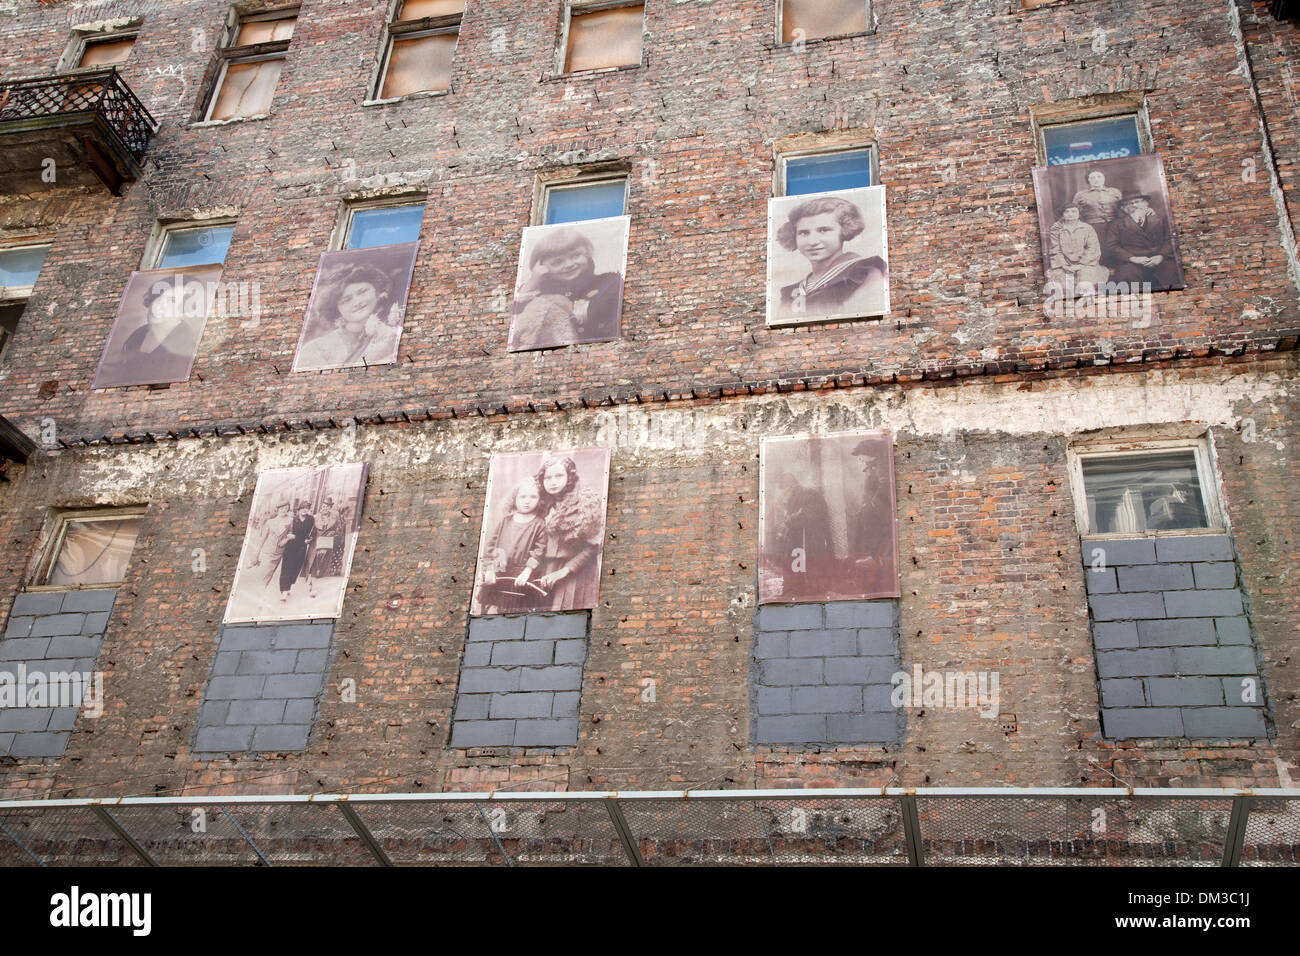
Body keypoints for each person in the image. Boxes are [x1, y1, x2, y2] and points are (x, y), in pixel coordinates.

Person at [510, 228, 623, 351]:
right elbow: (517, 317)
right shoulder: (541, 293)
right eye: (557, 262)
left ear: (587, 253)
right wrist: (534, 281)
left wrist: (567, 305)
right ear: (543, 268)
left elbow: (603, 309)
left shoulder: (609, 281)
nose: (569, 264)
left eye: (575, 255)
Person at [775, 196, 886, 320]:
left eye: (823, 230)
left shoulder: (865, 272)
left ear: (843, 230)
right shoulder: (790, 292)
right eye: (804, 233)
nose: (812, 241)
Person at [100, 275, 208, 386]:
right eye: (160, 297)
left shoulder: (187, 343)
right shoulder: (137, 335)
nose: (160, 305)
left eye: (172, 300)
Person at [295, 263, 402, 370]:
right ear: (335, 309)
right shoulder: (316, 349)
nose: (357, 302)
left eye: (362, 292)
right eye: (346, 300)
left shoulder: (393, 337)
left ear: (377, 291)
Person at [533, 454, 605, 611]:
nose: (552, 482)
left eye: (559, 476)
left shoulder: (585, 503)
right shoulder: (541, 504)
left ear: (570, 476)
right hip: (546, 570)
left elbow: (594, 544)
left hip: (574, 572)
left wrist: (563, 572)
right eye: (548, 477)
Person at [478, 477, 549, 613]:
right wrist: (489, 569)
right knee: (492, 610)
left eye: (533, 497)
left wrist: (526, 572)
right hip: (499, 572)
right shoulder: (505, 521)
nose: (527, 501)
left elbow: (539, 551)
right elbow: (490, 547)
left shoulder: (539, 524)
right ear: (514, 499)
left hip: (520, 576)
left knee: (514, 611)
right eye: (522, 497)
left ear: (540, 500)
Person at [772, 471, 835, 600]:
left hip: (810, 543)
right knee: (796, 576)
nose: (786, 487)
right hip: (797, 545)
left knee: (812, 579)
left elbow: (807, 515)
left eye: (788, 482)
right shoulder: (790, 499)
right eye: (783, 485)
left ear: (794, 482)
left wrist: (790, 520)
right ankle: (793, 593)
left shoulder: (809, 494)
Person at [1106, 192, 1182, 289]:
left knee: (1172, 273)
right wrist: (1133, 258)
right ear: (1123, 208)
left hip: (1160, 258)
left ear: (1146, 204)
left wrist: (1161, 256)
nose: (1134, 205)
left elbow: (1171, 239)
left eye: (1138, 202)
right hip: (1132, 261)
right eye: (1130, 203)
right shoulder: (1116, 224)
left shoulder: (1161, 219)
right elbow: (1112, 246)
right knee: (1126, 276)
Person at [1046, 203, 1109, 295]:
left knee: (1085, 283)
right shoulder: (1056, 229)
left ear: (1079, 213)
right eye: (1067, 212)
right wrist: (1064, 265)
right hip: (1065, 264)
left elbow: (1092, 248)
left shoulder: (1087, 228)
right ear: (1062, 214)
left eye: (1074, 211)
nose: (1070, 214)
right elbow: (1055, 249)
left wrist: (1081, 264)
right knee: (1065, 287)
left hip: (1086, 264)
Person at [278, 499, 317, 603]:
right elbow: (286, 532)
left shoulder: (311, 519)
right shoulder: (293, 520)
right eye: (303, 508)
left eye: (307, 508)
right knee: (287, 568)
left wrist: (310, 539)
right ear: (298, 510)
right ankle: (284, 591)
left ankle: (288, 586)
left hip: (302, 547)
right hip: (291, 546)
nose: (305, 510)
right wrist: (289, 536)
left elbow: (313, 532)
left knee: (295, 569)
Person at [249, 500, 293, 590]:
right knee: (265, 573)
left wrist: (286, 539)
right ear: (277, 509)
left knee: (270, 574)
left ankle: (261, 590)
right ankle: (259, 591)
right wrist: (256, 555)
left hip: (279, 551)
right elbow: (262, 539)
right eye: (281, 508)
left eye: (286, 508)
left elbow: (291, 533)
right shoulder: (270, 522)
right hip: (268, 552)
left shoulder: (290, 521)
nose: (284, 510)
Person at [306, 495, 349, 582]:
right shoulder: (316, 517)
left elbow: (339, 529)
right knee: (313, 561)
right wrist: (310, 538)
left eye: (327, 507)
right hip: (316, 541)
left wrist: (333, 533)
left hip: (327, 542)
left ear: (330, 508)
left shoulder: (335, 516)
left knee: (323, 562)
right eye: (323, 506)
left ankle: (318, 577)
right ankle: (312, 579)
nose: (325, 508)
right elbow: (311, 530)